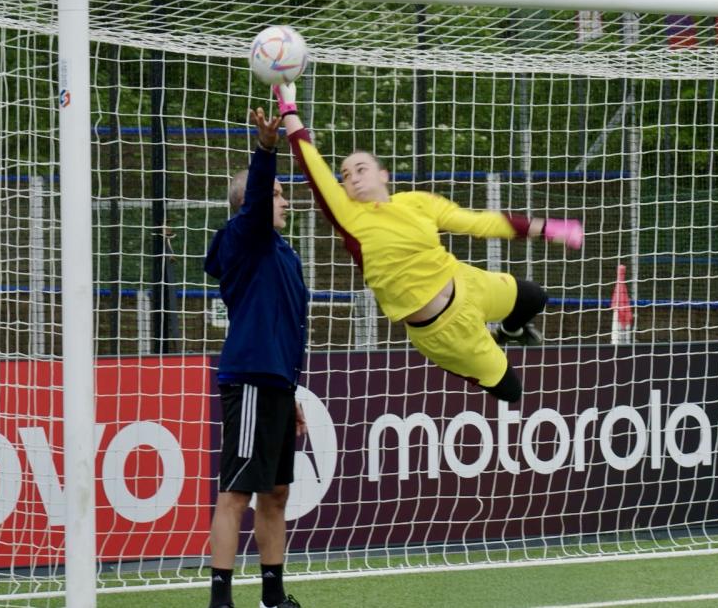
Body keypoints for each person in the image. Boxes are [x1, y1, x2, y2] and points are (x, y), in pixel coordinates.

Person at [273, 81, 583, 403]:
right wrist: (289, 110)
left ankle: (507, 332)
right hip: (441, 332)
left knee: (535, 297)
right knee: (511, 391)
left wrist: (546, 228)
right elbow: (312, 165)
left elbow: (477, 222)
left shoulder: (416, 202)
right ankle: (472, 357)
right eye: (346, 175)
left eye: (361, 169)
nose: (353, 177)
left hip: (467, 283)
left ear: (383, 175)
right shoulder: (348, 216)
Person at [202, 107, 307, 608]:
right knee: (236, 494)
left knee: (276, 493)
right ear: (254, 202)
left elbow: (287, 330)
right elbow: (259, 194)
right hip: (248, 382)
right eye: (279, 194)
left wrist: (292, 391)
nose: (285, 201)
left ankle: (272, 596)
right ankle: (220, 602)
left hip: (276, 385)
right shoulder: (245, 237)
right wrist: (266, 149)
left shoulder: (283, 253)